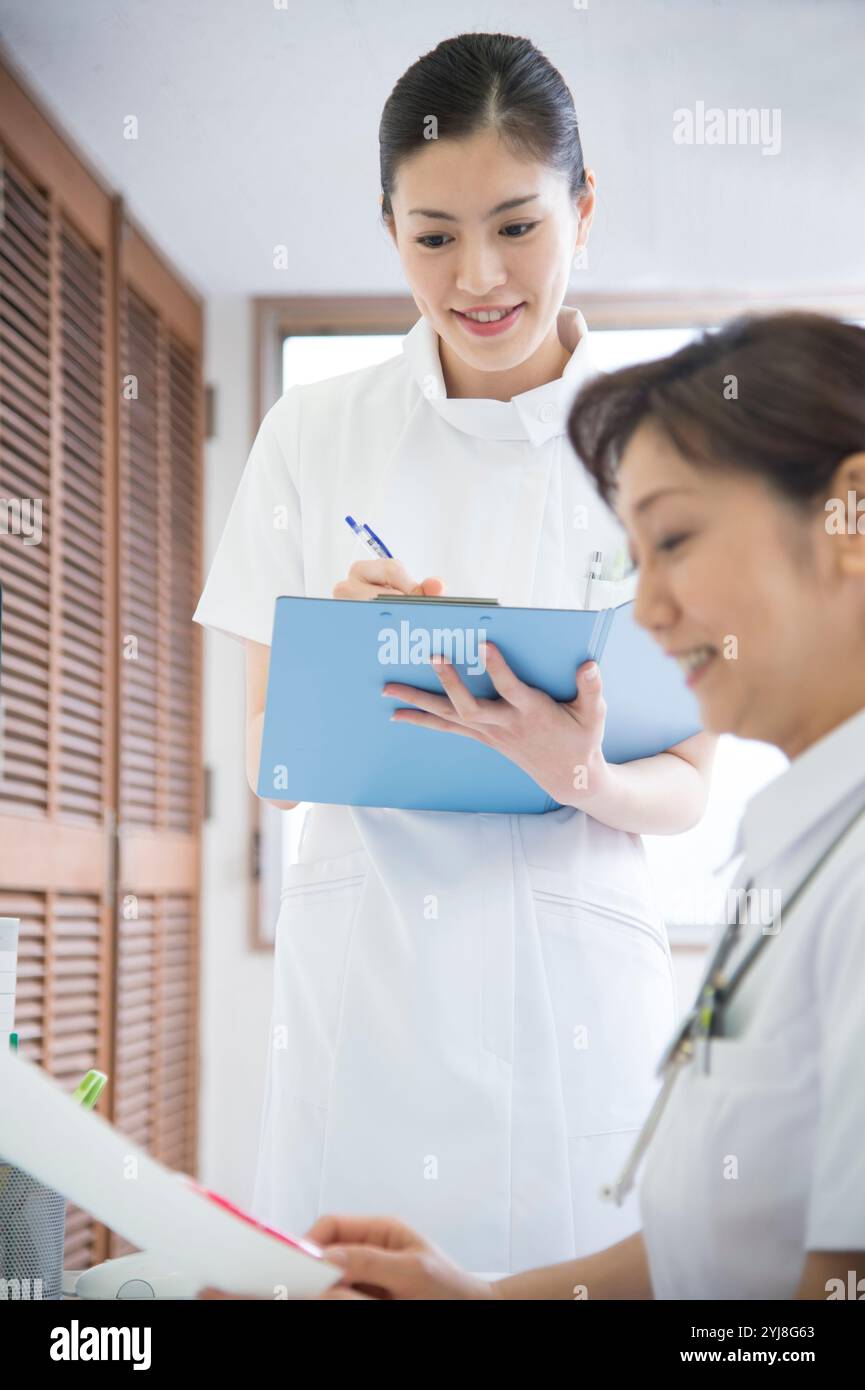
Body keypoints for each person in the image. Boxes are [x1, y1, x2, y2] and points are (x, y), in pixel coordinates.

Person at [192, 32, 714, 1274]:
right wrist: (337, 641)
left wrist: (577, 773)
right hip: (368, 987)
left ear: (583, 209)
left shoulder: (662, 447)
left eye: (517, 226)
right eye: (432, 237)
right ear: (389, 233)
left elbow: (690, 779)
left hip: (570, 984)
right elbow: (271, 760)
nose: (477, 275)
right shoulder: (315, 432)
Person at [290, 311, 865, 1300]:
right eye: (634, 559)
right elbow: (715, 1253)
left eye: (675, 538)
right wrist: (475, 1303)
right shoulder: (800, 851)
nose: (644, 609)